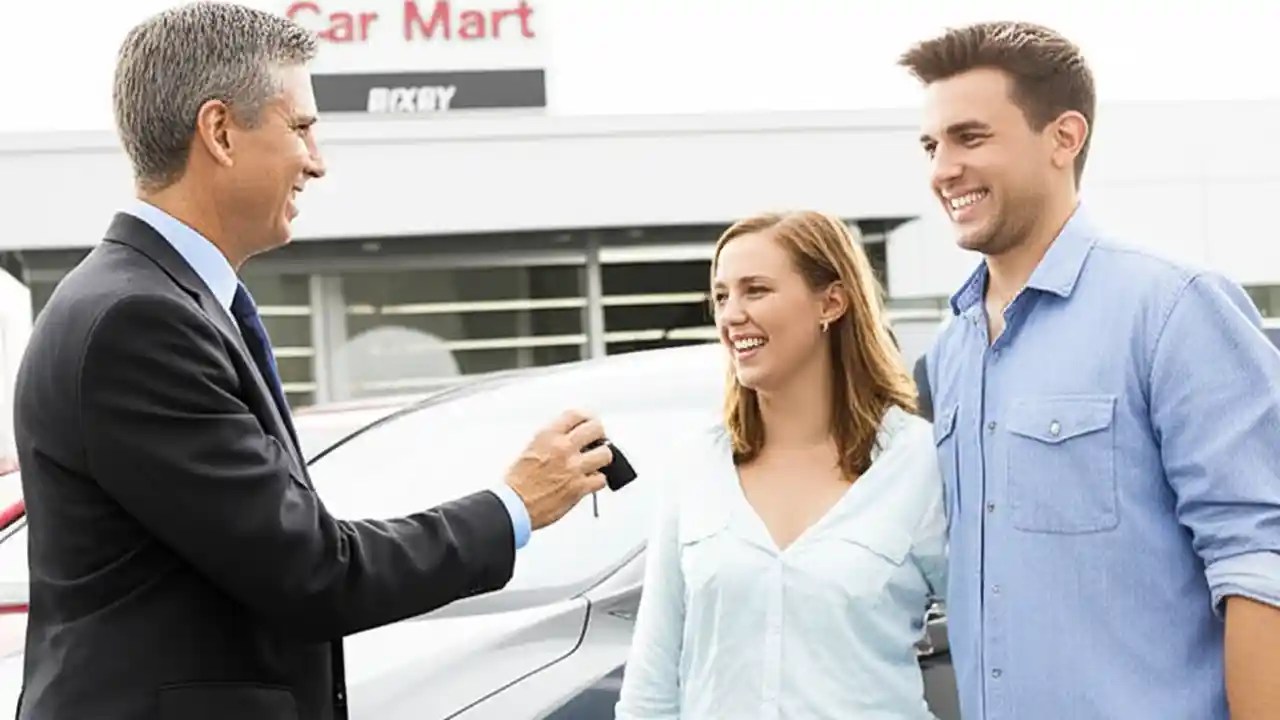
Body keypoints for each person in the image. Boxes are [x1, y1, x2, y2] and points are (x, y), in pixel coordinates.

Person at [11, 4, 612, 719]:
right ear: (220, 132)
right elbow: (312, 571)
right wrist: (513, 506)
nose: (317, 161)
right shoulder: (139, 322)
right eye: (301, 126)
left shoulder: (152, 304)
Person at [901, 21, 1280, 720]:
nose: (941, 168)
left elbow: (1260, 563)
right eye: (932, 145)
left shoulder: (1173, 309)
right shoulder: (950, 353)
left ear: (1064, 138)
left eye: (970, 137)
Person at [614, 210, 947, 719]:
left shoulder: (917, 462)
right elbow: (651, 685)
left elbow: (990, 649)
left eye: (756, 290)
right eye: (722, 295)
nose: (731, 315)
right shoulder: (694, 466)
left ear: (831, 302)